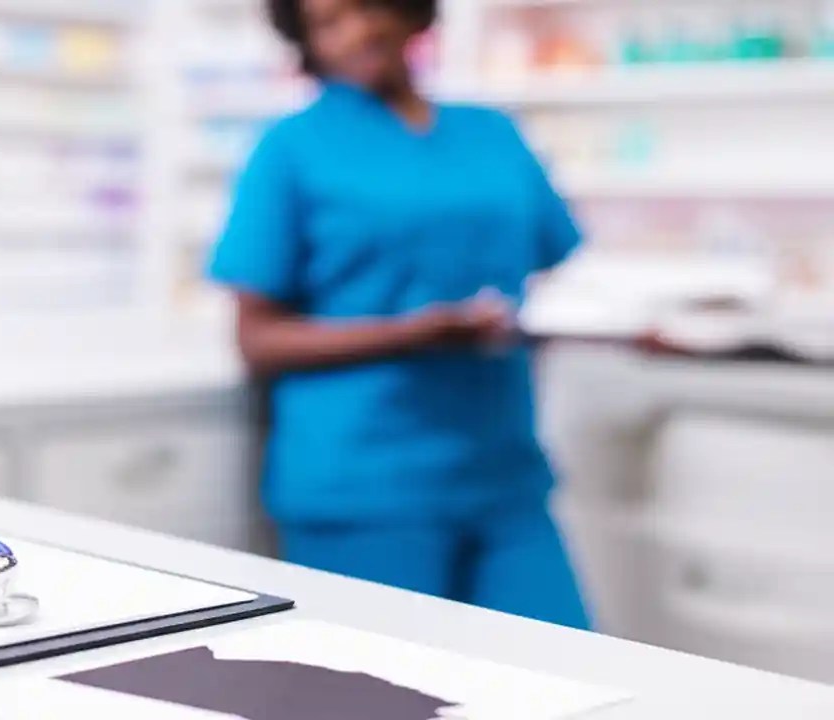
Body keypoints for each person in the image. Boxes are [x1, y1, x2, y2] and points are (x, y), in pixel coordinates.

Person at [207, 0, 590, 629]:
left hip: (503, 473)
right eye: (328, 22)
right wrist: (412, 334)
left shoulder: (492, 133)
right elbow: (258, 339)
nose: (358, 31)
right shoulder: (290, 150)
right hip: (362, 485)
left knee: (576, 679)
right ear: (305, 40)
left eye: (366, 7)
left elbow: (559, 272)